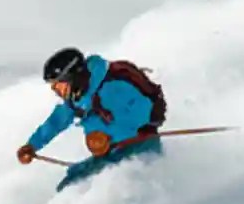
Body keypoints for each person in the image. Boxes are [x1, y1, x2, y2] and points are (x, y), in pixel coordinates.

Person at [16, 47, 167, 191]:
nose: (56, 91)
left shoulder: (112, 87)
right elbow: (56, 121)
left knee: (84, 187)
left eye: (58, 86)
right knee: (72, 181)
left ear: (72, 77)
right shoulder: (78, 98)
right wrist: (32, 145)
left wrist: (107, 137)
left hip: (140, 148)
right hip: (113, 152)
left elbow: (142, 113)